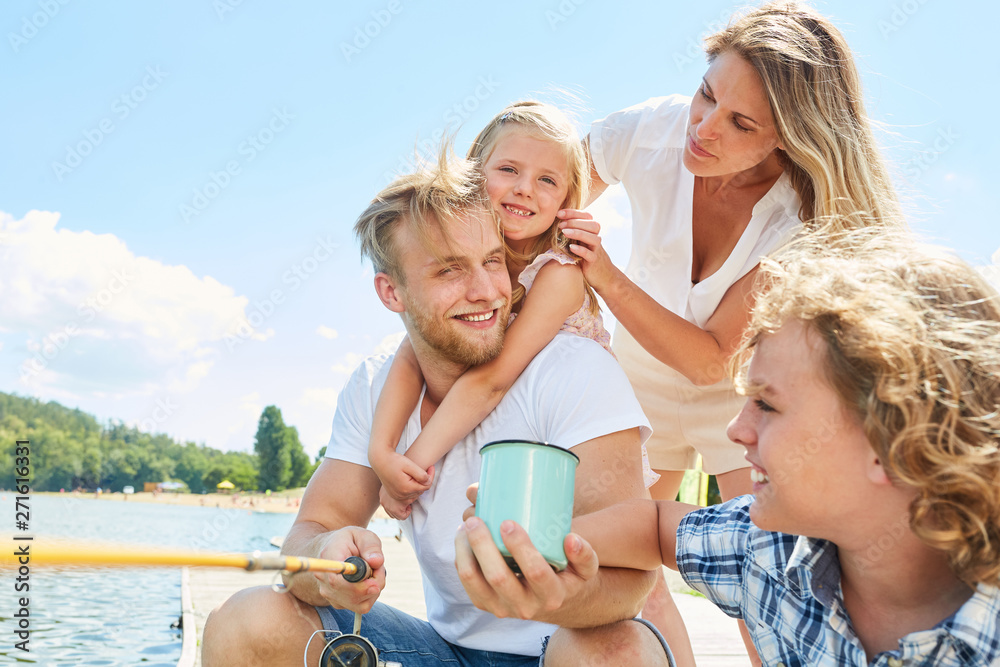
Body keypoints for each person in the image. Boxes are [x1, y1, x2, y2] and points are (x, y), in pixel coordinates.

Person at [201, 151, 672, 666]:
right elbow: (308, 535)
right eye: (450, 270)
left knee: (621, 650)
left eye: (492, 260)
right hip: (442, 652)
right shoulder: (373, 385)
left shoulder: (574, 369)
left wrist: (560, 595)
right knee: (244, 620)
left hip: (560, 647)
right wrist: (324, 561)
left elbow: (633, 579)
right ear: (391, 292)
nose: (486, 292)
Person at [558, 1, 903, 657]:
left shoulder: (805, 219)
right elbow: (542, 191)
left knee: (766, 573)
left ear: (788, 137)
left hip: (738, 395)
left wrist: (602, 274)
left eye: (741, 122)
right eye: (707, 94)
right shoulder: (648, 130)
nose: (704, 128)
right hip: (637, 379)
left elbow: (711, 359)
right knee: (620, 567)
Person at [571, 230, 1000, 665]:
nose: (736, 429)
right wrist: (539, 551)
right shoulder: (771, 548)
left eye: (767, 405)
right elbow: (655, 527)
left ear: (894, 444)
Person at [369, 101, 658, 522]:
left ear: (566, 199)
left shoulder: (559, 273)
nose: (525, 189)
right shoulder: (480, 261)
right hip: (509, 436)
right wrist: (381, 452)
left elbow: (493, 380)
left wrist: (411, 465)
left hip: (573, 438)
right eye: (508, 170)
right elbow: (412, 352)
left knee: (596, 540)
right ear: (474, 175)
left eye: (547, 180)